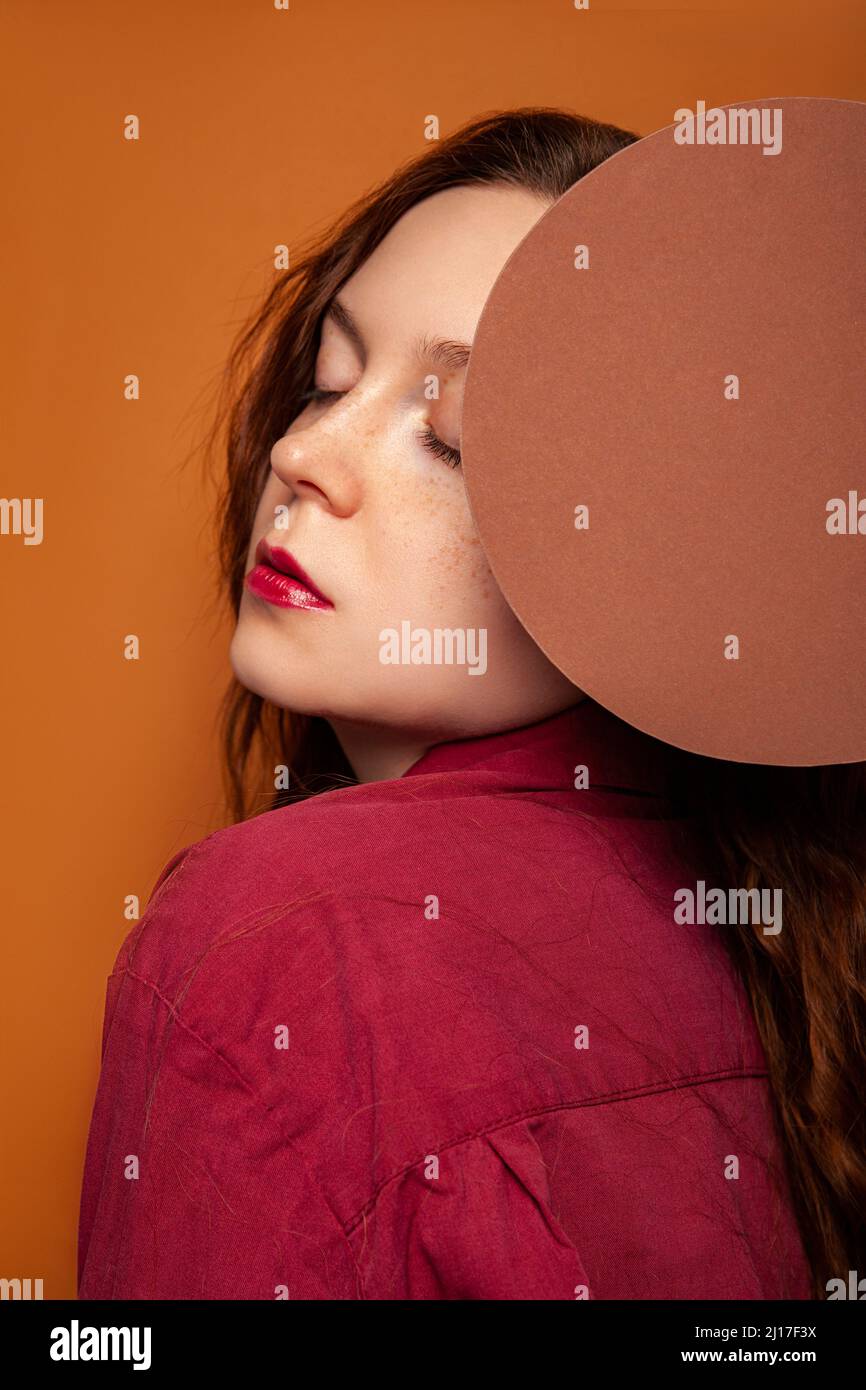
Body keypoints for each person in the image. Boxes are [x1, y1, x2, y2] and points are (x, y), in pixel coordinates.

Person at [77, 108, 864, 1300]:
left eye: (453, 438)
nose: (304, 455)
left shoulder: (285, 935)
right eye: (326, 377)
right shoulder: (785, 953)